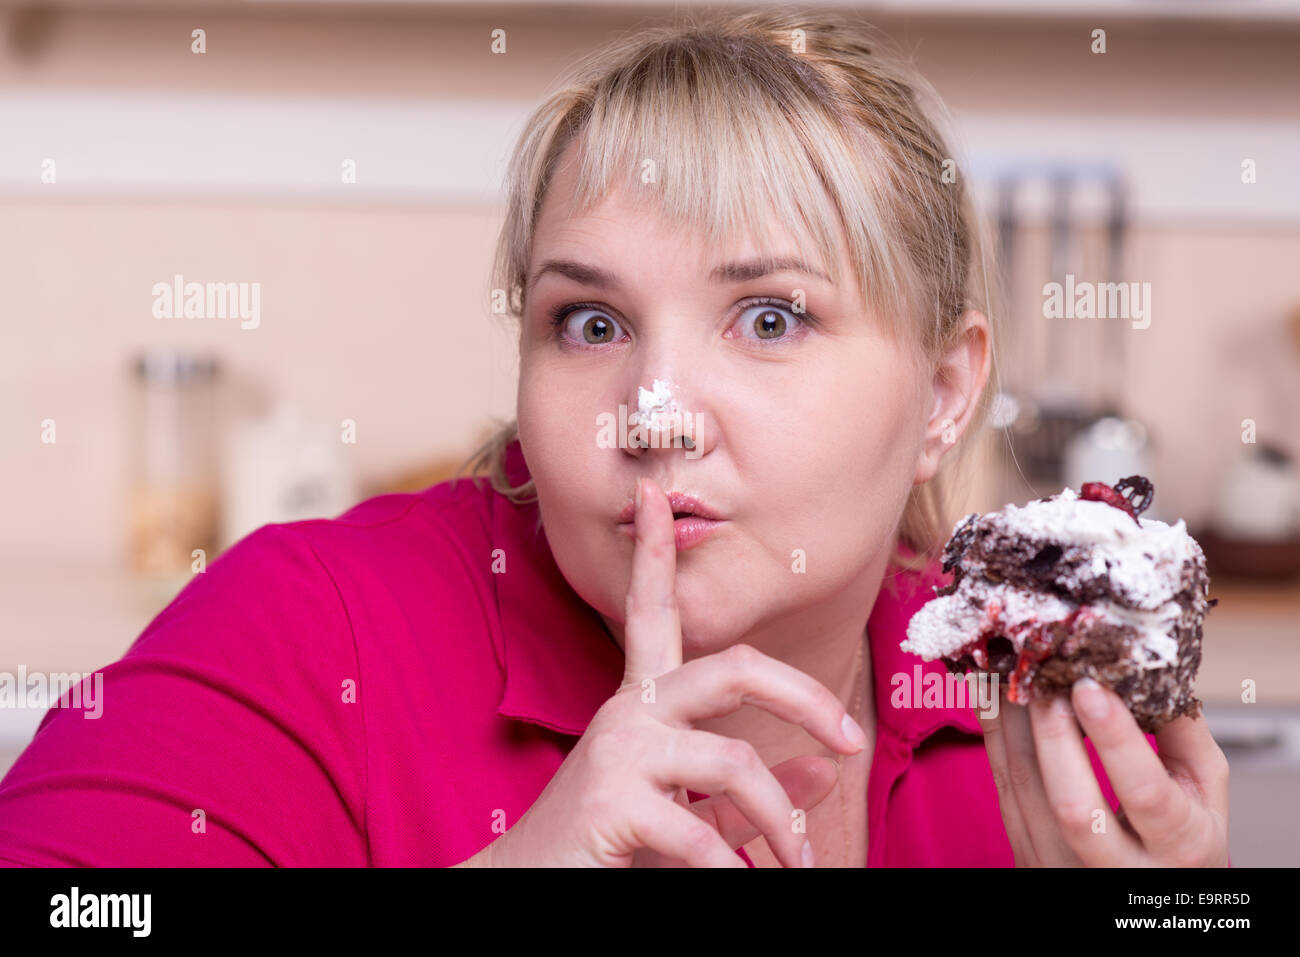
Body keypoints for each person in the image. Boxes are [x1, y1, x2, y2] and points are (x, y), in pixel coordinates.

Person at [0, 10, 1228, 867]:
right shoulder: (305, 628)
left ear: (946, 391)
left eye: (767, 317)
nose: (653, 411)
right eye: (589, 322)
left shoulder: (1014, 695)